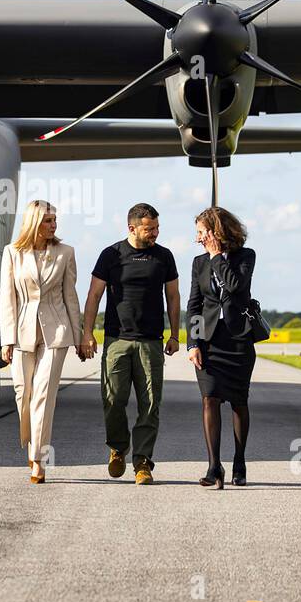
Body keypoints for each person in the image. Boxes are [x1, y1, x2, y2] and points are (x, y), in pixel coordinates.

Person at [80, 203, 180, 486]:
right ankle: (117, 447)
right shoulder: (111, 255)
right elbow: (94, 295)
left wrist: (174, 334)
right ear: (132, 228)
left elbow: (173, 296)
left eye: (157, 228)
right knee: (112, 400)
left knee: (150, 404)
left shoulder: (164, 257)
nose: (155, 234)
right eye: (150, 229)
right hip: (117, 341)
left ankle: (142, 463)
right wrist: (87, 333)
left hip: (150, 342)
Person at [0, 200, 84, 484]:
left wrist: (80, 335)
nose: (53, 225)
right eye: (48, 220)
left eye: (55, 220)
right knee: (24, 394)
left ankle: (38, 459)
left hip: (56, 332)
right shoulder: (12, 253)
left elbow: (70, 296)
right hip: (22, 330)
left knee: (44, 396)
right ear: (34, 222)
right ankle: (31, 443)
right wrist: (7, 339)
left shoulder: (65, 253)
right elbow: (7, 299)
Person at [186, 206, 257, 488]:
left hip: (238, 340)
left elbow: (235, 285)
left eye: (202, 233)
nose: (198, 239)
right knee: (209, 399)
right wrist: (193, 343)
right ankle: (214, 466)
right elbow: (194, 304)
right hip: (210, 341)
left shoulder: (246, 256)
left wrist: (217, 256)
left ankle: (239, 461)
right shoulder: (197, 263)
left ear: (217, 231)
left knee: (239, 402)